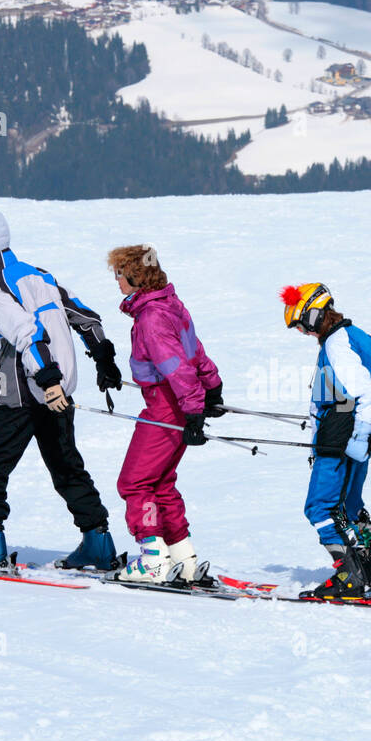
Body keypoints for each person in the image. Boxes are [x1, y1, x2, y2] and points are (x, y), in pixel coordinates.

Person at [0, 209, 124, 572]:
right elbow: (85, 317)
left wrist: (47, 379)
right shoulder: (39, 275)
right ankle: (97, 541)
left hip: (22, 396)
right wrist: (104, 358)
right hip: (55, 394)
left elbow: (28, 334)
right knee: (66, 467)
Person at [280, 283, 371, 600]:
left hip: (340, 434)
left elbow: (369, 394)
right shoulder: (358, 337)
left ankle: (350, 577)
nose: (301, 331)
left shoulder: (337, 345)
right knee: (347, 507)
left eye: (301, 323)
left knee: (321, 507)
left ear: (315, 314)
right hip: (349, 434)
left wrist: (360, 433)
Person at [112, 245, 224, 583]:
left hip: (166, 404)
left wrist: (193, 412)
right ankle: (183, 558)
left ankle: (153, 560)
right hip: (176, 401)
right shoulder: (170, 304)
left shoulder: (151, 317)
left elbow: (175, 367)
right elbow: (195, 350)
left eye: (119, 274)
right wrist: (212, 386)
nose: (116, 281)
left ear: (135, 276)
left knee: (134, 482)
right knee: (160, 482)